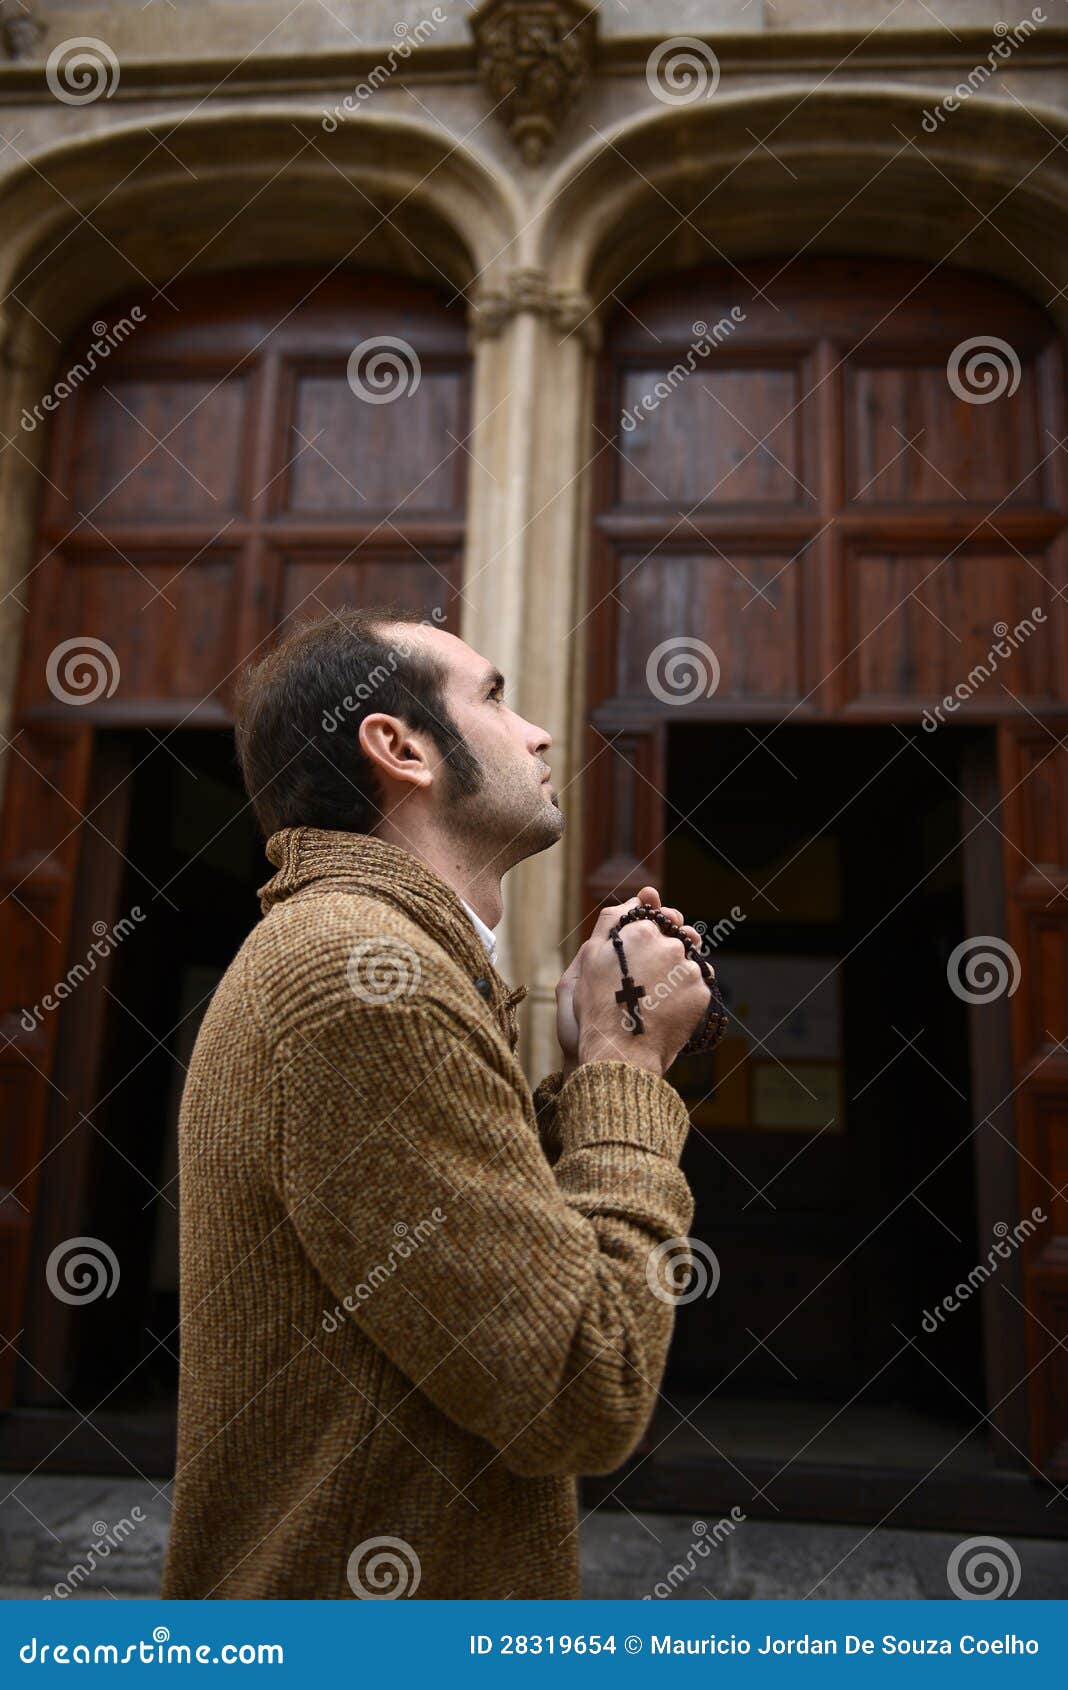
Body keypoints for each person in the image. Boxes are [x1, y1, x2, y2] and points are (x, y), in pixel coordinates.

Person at [161, 605, 711, 1600]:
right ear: (400, 745)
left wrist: (578, 1073)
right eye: (496, 696)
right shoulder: (360, 976)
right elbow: (588, 1386)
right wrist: (625, 1072)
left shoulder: (380, 958)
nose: (540, 731)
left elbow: (469, 1268)